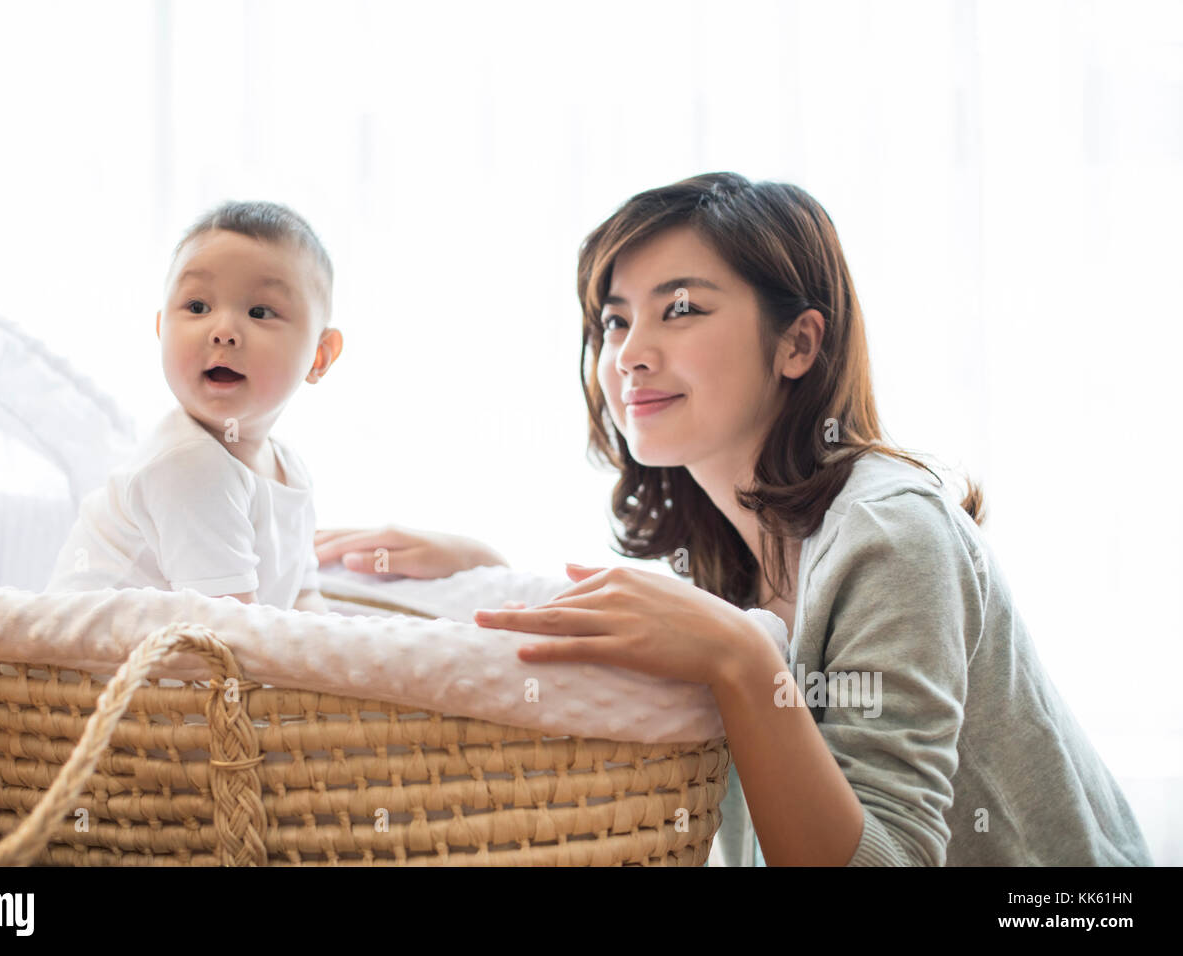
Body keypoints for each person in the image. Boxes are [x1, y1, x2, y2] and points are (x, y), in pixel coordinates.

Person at [310, 173, 1153, 866]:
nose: (630, 351)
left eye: (680, 308)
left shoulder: (891, 534)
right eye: (615, 320)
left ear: (798, 345)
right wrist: (485, 576)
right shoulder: (726, 562)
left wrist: (745, 663)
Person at [45, 200, 340, 612]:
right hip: (97, 668)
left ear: (319, 356)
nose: (223, 332)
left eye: (259, 311)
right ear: (162, 328)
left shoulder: (290, 469)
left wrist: (339, 657)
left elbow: (304, 598)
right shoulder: (189, 465)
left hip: (194, 665)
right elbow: (231, 633)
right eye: (198, 307)